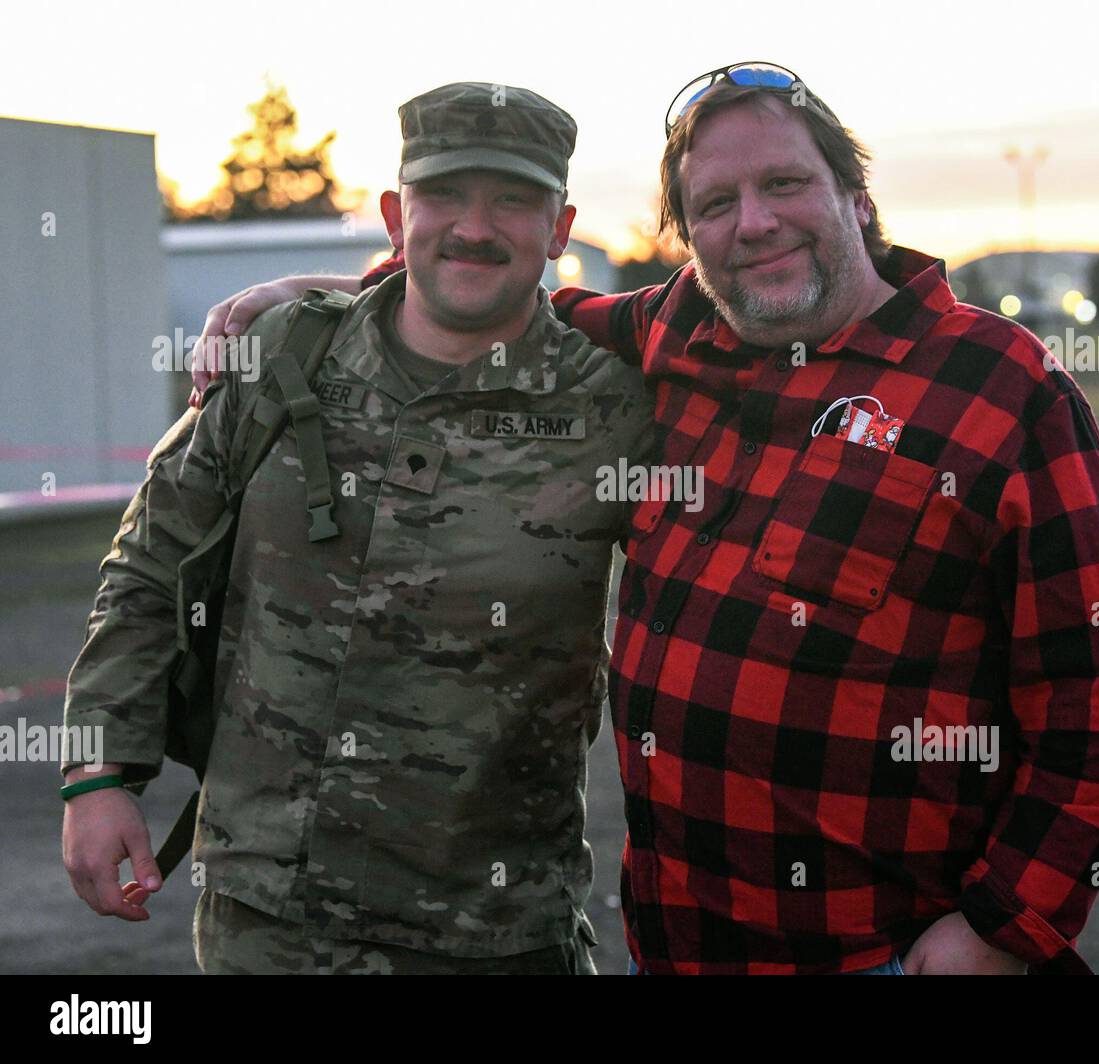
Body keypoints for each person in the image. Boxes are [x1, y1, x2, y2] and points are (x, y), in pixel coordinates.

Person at [189, 63, 1099, 975]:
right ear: (687, 241)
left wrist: (1002, 924)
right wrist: (321, 300)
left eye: (784, 184)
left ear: (855, 198)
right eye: (715, 205)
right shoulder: (675, 333)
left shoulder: (998, 385)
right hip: (677, 945)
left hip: (884, 951)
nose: (754, 223)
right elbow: (497, 297)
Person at [61, 82, 654, 974]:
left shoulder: (616, 409)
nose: (474, 226)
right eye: (444, 194)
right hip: (267, 921)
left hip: (495, 931)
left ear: (561, 229)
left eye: (513, 200)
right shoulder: (282, 359)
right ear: (393, 213)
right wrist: (99, 775)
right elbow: (148, 567)